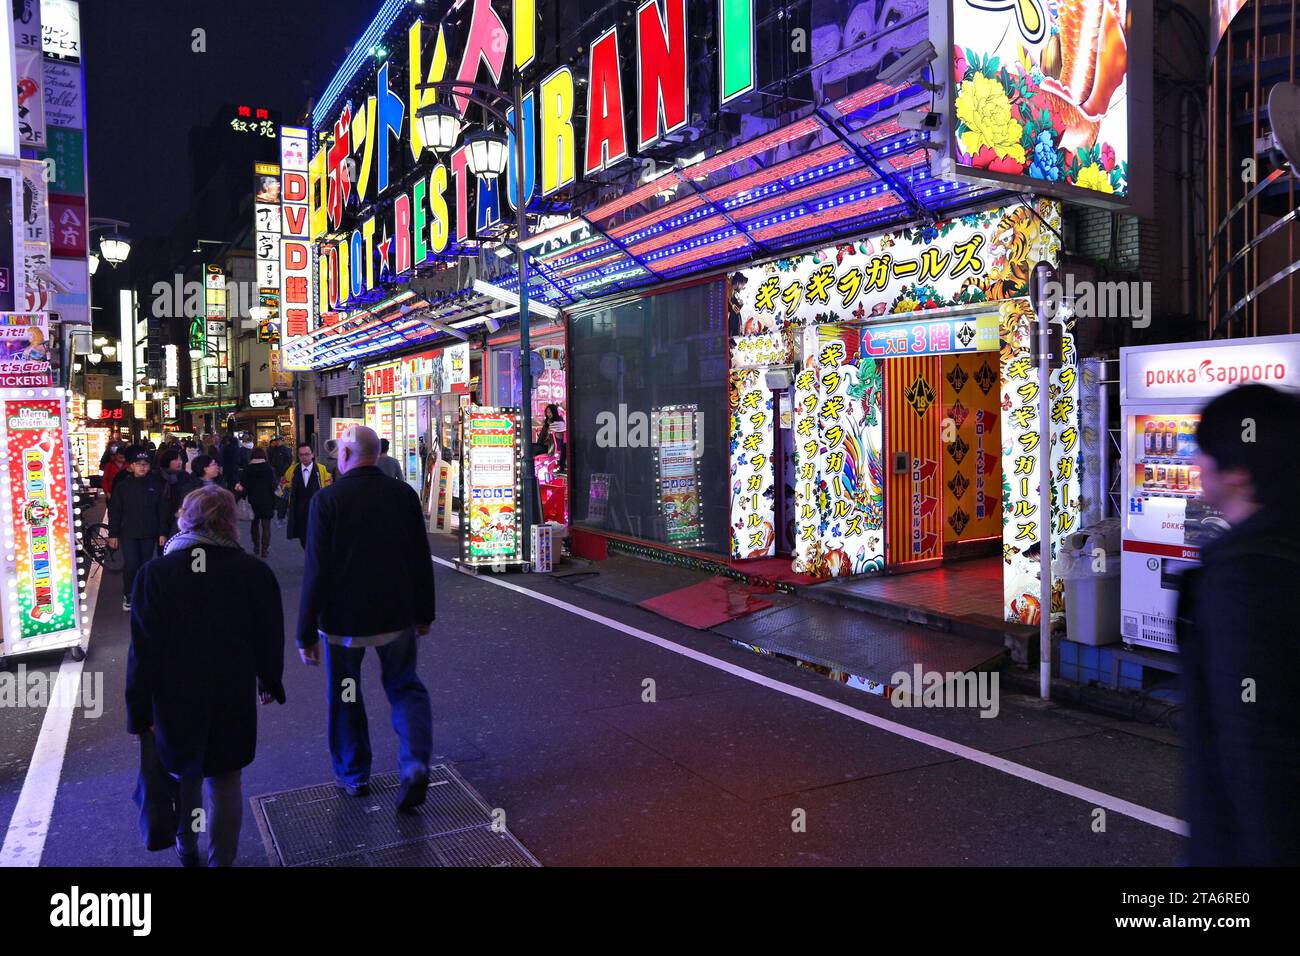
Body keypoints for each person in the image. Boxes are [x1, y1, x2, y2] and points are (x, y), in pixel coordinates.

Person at [125, 485, 285, 867]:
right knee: (226, 778)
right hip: (231, 689)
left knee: (185, 774)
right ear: (230, 521)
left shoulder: (156, 574)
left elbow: (142, 650)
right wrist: (268, 679)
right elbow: (269, 632)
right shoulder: (252, 572)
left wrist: (138, 712)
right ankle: (221, 860)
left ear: (185, 518)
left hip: (175, 695)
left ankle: (186, 845)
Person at [1177, 383, 1300, 866]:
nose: (1195, 464)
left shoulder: (1247, 575)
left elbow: (1255, 743)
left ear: (1238, 470)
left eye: (1204, 453)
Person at [297, 425, 435, 810]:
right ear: (377, 454)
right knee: (405, 687)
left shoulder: (327, 501)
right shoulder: (402, 495)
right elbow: (419, 558)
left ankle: (355, 775)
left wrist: (305, 632)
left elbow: (316, 571)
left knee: (347, 694)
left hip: (345, 623)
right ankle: (415, 764)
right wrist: (425, 612)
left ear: (343, 457)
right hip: (398, 616)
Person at [108, 448, 170, 612]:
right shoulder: (123, 486)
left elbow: (162, 511)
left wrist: (162, 532)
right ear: (132, 466)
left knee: (145, 564)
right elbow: (115, 511)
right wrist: (113, 534)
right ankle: (128, 593)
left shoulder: (156, 485)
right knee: (131, 564)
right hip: (128, 533)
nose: (143, 467)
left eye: (146, 464)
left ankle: (143, 593)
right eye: (139, 464)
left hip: (149, 533)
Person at [279, 443, 331, 550]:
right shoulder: (292, 470)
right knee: (303, 537)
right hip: (298, 509)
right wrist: (281, 508)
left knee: (318, 535)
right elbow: (283, 487)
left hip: (317, 509)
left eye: (307, 454)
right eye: (301, 455)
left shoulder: (322, 470)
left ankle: (315, 556)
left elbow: (329, 488)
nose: (304, 457)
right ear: (298, 456)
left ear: (312, 455)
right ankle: (309, 553)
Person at [235, 447, 278, 559]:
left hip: (253, 500)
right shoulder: (269, 468)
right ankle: (264, 550)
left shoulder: (248, 469)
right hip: (267, 499)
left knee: (254, 524)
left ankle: (256, 547)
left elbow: (243, 485)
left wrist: (242, 497)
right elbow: (273, 485)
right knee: (266, 526)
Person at [158, 447, 201, 538]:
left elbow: (193, 489)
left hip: (179, 516)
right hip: (161, 517)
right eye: (175, 460)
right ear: (167, 461)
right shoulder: (158, 476)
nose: (179, 462)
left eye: (180, 459)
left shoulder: (184, 475)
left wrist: (192, 472)